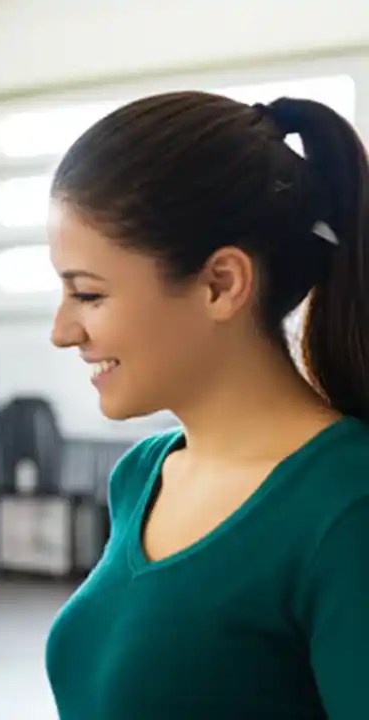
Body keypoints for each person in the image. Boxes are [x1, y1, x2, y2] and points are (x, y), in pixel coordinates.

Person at [43, 90, 369, 719]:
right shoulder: (142, 477)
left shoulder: (347, 510)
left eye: (88, 294)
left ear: (221, 284)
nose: (62, 330)